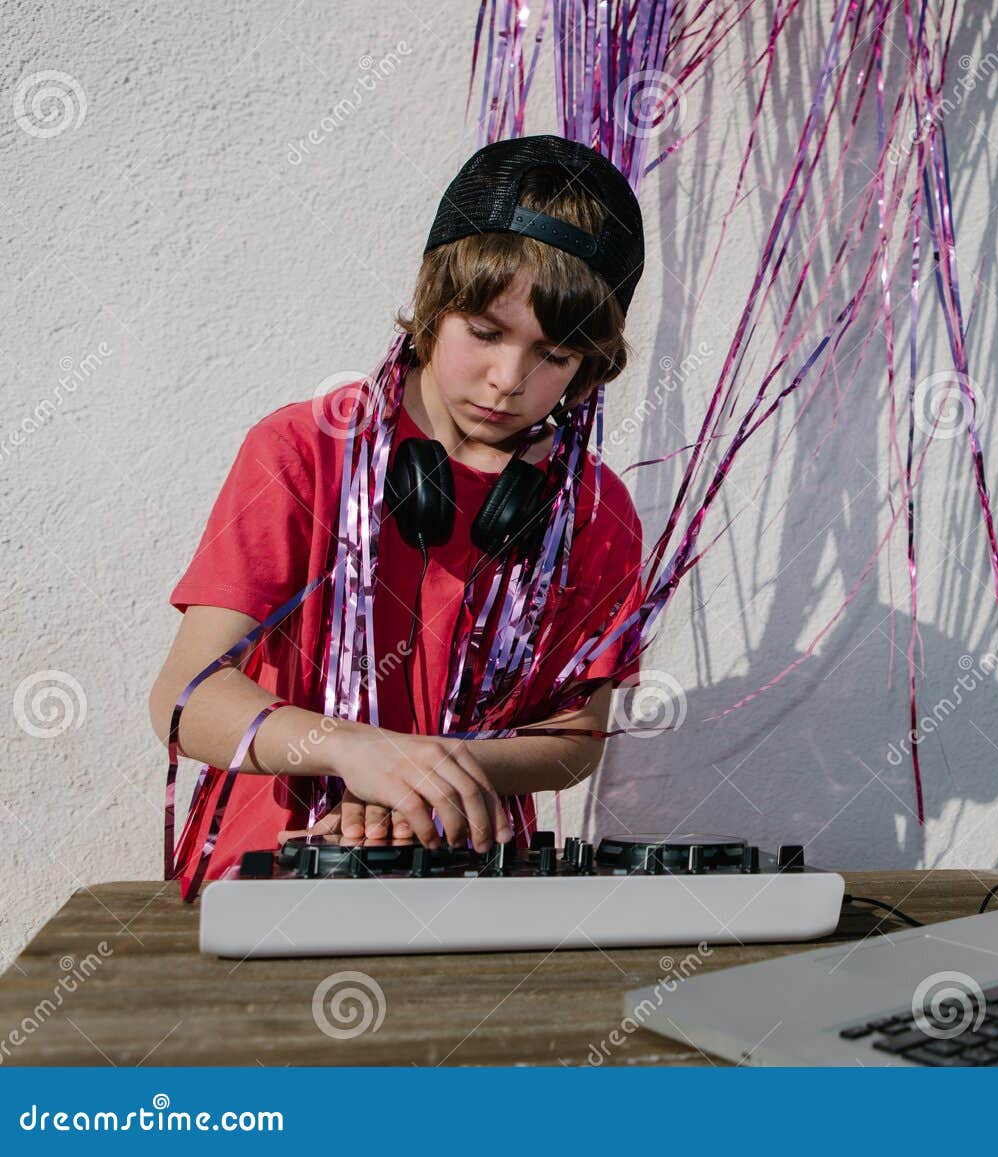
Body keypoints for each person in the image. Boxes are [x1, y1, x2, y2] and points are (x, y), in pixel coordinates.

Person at [147, 137, 649, 887]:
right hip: (270, 880)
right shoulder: (300, 450)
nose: (508, 379)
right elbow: (186, 700)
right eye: (484, 332)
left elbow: (574, 740)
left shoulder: (596, 508)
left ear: (588, 370)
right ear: (435, 305)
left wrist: (423, 777)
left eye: (555, 355)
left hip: (472, 884)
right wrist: (352, 749)